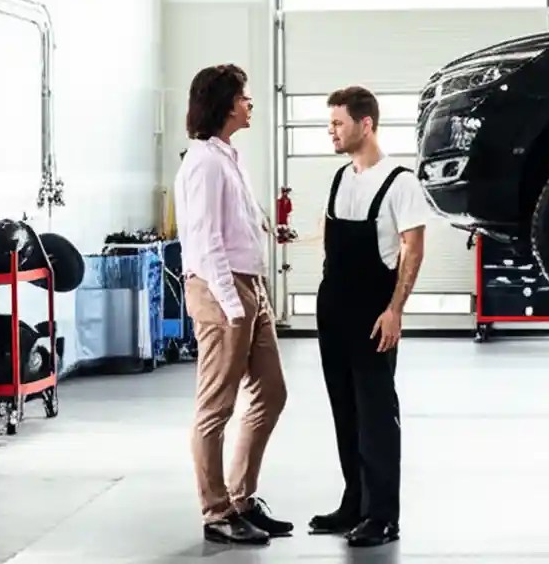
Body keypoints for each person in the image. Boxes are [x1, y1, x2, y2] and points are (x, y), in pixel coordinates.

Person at [308, 85, 430, 548]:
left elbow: (413, 249)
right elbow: (329, 238)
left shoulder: (400, 182)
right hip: (333, 308)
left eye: (338, 123)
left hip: (374, 312)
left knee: (377, 412)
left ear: (366, 124)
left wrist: (395, 310)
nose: (331, 131)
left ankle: (383, 514)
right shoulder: (340, 179)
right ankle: (354, 502)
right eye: (330, 123)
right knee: (344, 408)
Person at [174, 63, 291, 545]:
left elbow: (235, 223)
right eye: (244, 96)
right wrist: (231, 303)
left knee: (272, 391)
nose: (250, 103)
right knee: (215, 406)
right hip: (221, 289)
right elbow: (204, 242)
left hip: (250, 286)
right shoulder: (201, 161)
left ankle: (242, 497)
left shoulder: (227, 156)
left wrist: (267, 231)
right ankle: (216, 511)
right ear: (225, 104)